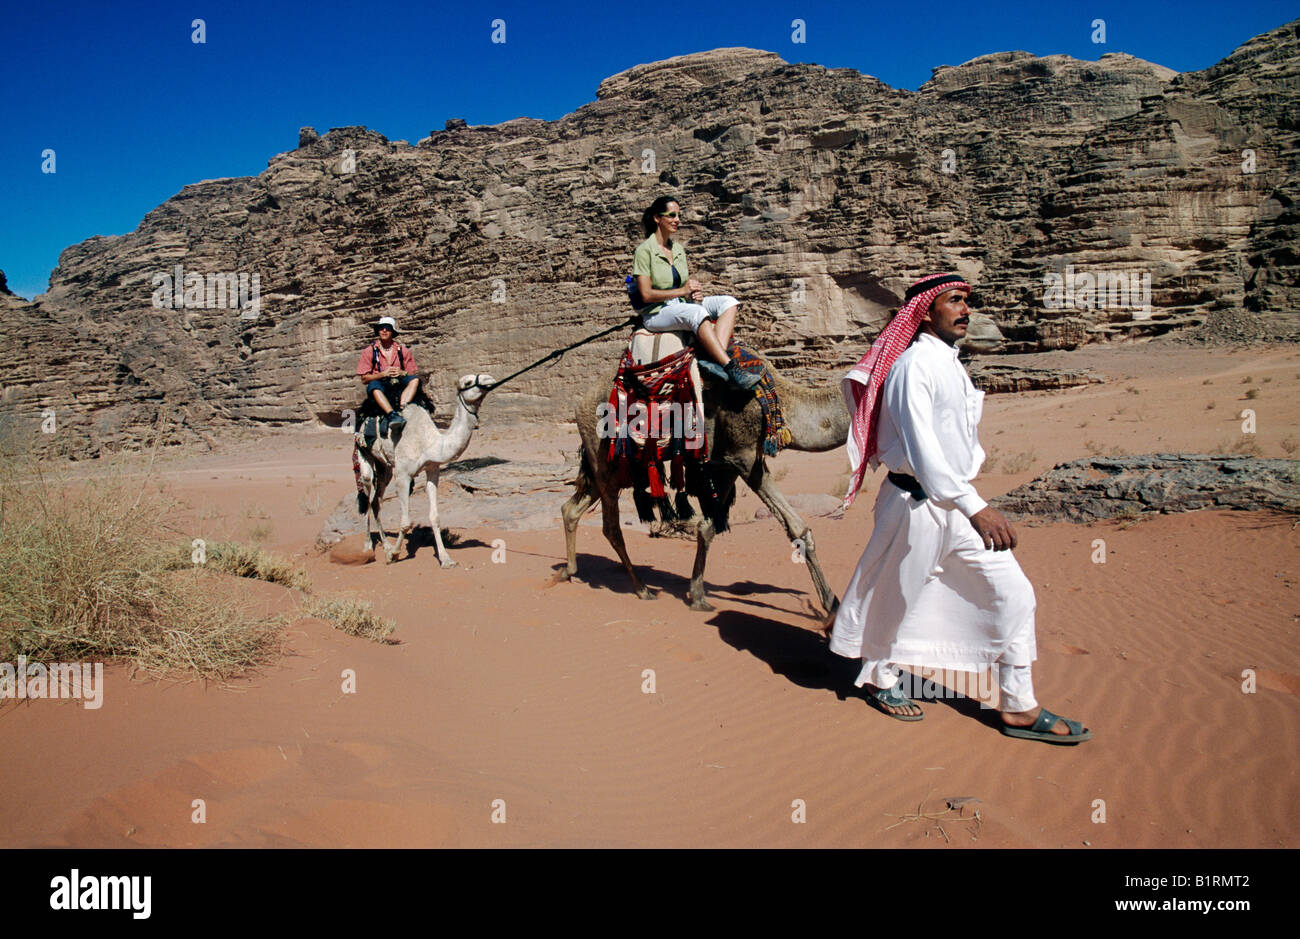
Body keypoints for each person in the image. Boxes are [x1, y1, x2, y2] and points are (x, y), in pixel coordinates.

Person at [830, 272, 1091, 744]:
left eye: (967, 301)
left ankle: (1018, 706)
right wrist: (976, 506)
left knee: (1014, 594)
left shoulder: (949, 361)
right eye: (954, 301)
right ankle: (880, 678)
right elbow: (924, 450)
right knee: (898, 598)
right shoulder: (915, 366)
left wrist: (967, 502)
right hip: (917, 504)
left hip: (955, 503)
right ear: (926, 312)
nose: (965, 310)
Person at [632, 196, 760, 390]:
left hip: (679, 305)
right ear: (657, 218)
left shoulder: (678, 250)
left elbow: (683, 287)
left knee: (728, 302)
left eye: (678, 215)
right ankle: (730, 368)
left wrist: (691, 294)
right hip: (656, 312)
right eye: (671, 215)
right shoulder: (644, 251)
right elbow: (646, 294)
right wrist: (682, 291)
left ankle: (712, 360)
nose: (677, 220)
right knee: (697, 313)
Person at [356, 315, 419, 430]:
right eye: (381, 328)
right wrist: (382, 374)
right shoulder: (369, 351)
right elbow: (364, 379)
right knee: (373, 386)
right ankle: (391, 414)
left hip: (399, 384)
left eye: (388, 328)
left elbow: (412, 373)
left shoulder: (403, 351)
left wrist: (402, 373)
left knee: (415, 380)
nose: (384, 330)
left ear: (392, 332)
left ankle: (402, 409)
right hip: (381, 385)